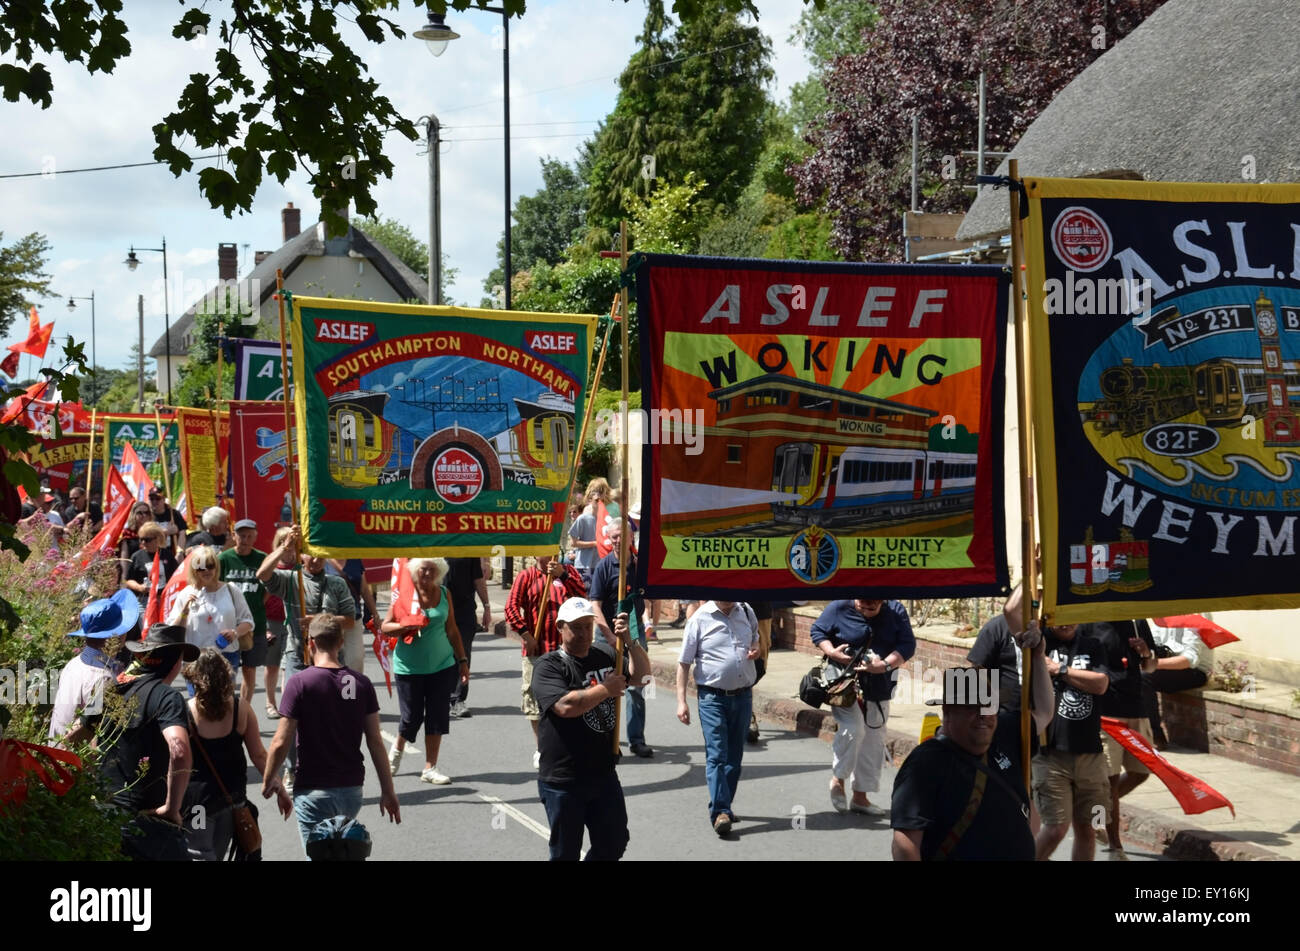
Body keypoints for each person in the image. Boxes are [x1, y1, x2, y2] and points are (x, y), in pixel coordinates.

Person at [261, 615, 400, 857]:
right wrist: (388, 791)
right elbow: (375, 742)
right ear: (341, 642)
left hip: (313, 790)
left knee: (317, 854)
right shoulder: (361, 683)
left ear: (310, 643)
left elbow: (281, 741)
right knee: (344, 852)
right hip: (351, 789)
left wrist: (269, 778)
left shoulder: (300, 683)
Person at [891, 659, 1054, 861]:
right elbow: (906, 845)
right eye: (971, 707)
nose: (983, 714)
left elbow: (1044, 711)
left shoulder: (1004, 732)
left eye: (988, 705)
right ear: (948, 712)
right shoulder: (925, 763)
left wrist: (1037, 654)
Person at [532, 598, 649, 861]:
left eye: (588, 626)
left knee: (615, 842)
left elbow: (643, 677)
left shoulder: (606, 655)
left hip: (603, 772)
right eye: (576, 627)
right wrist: (605, 689)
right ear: (561, 627)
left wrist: (630, 641)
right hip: (563, 778)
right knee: (565, 853)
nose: (584, 633)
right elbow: (565, 706)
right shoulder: (549, 665)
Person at [87, 623, 200, 860]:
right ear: (176, 662)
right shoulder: (168, 697)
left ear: (143, 656)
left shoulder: (112, 690)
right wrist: (172, 807)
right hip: (147, 824)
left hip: (104, 817)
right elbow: (179, 750)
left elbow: (79, 738)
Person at [256, 526, 356, 790]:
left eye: (318, 554)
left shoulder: (336, 583)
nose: (314, 559)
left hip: (331, 661)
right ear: (300, 556)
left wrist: (321, 621)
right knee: (292, 717)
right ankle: (291, 769)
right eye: (309, 554)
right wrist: (284, 548)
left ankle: (328, 767)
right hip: (298, 657)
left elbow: (350, 620)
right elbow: (262, 574)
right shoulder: (292, 581)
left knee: (331, 717)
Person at [182, 647, 292, 860]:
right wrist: (279, 788)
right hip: (231, 799)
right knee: (221, 852)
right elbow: (259, 754)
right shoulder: (241, 708)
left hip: (197, 804)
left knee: (199, 854)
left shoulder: (185, 711)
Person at [810, 597, 916, 815]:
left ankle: (861, 797)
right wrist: (831, 652)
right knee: (854, 728)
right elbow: (818, 631)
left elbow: (907, 644)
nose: (867, 610)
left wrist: (884, 665)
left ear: (883, 601)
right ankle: (838, 779)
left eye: (873, 606)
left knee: (873, 740)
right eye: (862, 606)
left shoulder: (896, 611)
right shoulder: (839, 606)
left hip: (879, 684)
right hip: (844, 683)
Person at [380, 558, 470, 785]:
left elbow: (452, 629)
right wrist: (404, 627)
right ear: (415, 571)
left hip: (442, 665)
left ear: (439, 572)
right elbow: (385, 626)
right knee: (411, 717)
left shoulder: (444, 593)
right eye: (423, 569)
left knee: (437, 716)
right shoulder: (404, 595)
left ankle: (430, 767)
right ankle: (398, 748)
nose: (428, 573)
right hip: (409, 668)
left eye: (433, 570)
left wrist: (462, 660)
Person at [675, 599, 760, 835]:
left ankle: (725, 806)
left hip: (743, 696)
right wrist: (681, 702)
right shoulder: (699, 619)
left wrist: (756, 647)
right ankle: (720, 811)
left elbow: (755, 637)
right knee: (717, 753)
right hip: (712, 697)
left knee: (735, 755)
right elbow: (683, 663)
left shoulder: (745, 609)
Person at [1033, 621, 1112, 862]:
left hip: (1091, 753)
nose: (1066, 622)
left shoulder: (1093, 645)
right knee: (1056, 828)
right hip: (1051, 754)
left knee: (1090, 827)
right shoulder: (1039, 645)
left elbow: (1100, 684)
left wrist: (1060, 670)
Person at [504, 554, 586, 768]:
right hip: (537, 650)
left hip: (566, 650)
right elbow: (511, 608)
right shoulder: (526, 576)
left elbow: (583, 600)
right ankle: (542, 747)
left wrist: (564, 575)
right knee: (534, 701)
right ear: (534, 554)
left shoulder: (569, 573)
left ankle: (568, 744)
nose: (548, 554)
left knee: (568, 697)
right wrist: (526, 635)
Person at [1092, 619, 1158, 859]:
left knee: (1141, 772)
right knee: (1108, 782)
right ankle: (1116, 846)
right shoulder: (1091, 621)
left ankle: (1096, 810)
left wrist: (1145, 652)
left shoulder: (1137, 621)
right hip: (1106, 711)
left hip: (1136, 708)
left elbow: (1150, 666)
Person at [589, 517, 652, 757]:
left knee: (639, 684)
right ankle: (606, 739)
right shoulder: (604, 567)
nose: (616, 541)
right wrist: (607, 633)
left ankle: (636, 739)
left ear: (630, 538)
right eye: (613, 537)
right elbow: (595, 605)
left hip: (633, 630)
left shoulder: (639, 566)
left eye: (620, 536)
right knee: (605, 686)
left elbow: (650, 594)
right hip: (607, 632)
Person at [49, 590, 138, 741]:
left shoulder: (74, 663)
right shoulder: (104, 677)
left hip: (54, 753)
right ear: (116, 634)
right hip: (74, 759)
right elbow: (90, 732)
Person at [168, 544, 254, 673]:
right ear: (194, 569)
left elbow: (248, 622)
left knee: (225, 694)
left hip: (226, 655)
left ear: (216, 566)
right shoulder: (186, 594)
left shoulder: (231, 590)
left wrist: (234, 632)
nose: (206, 570)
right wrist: (184, 612)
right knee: (197, 694)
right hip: (195, 656)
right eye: (201, 567)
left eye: (210, 566)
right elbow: (173, 630)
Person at [219, 519, 268, 707]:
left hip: (255, 624)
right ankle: (227, 705)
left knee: (249, 669)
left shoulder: (262, 558)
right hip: (228, 625)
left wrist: (253, 606)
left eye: (249, 536)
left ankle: (244, 708)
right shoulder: (224, 559)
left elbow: (268, 588)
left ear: (255, 537)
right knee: (227, 669)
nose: (245, 539)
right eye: (241, 535)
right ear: (233, 536)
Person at [1143, 619, 1214, 748]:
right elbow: (1154, 641)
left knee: (1144, 677)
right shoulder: (1163, 615)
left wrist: (1154, 664)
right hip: (1168, 666)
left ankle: (1155, 735)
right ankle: (1137, 731)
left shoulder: (1196, 614)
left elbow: (1190, 659)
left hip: (1195, 671)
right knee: (1131, 674)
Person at [444, 556, 492, 718]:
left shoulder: (467, 548)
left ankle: (457, 699)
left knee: (462, 654)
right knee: (441, 655)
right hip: (439, 611)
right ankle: (439, 696)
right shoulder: (434, 543)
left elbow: (478, 579)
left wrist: (486, 606)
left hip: (464, 612)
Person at [260, 526, 295, 719]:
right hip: (273, 621)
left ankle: (286, 703)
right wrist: (265, 627)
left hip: (293, 622)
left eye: (290, 543)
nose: (288, 548)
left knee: (287, 664)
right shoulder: (272, 566)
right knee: (272, 665)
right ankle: (269, 701)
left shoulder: (300, 566)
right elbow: (262, 600)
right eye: (283, 543)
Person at [122, 523, 178, 609]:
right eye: (141, 539)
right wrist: (140, 587)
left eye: (147, 540)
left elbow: (176, 576)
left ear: (158, 539)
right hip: (144, 601)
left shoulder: (167, 555)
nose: (143, 542)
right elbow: (128, 580)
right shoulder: (137, 556)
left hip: (165, 599)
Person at [149, 487, 188, 554]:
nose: (154, 501)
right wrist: (167, 531)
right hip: (154, 553)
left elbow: (182, 533)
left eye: (157, 499)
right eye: (152, 499)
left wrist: (180, 552)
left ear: (163, 499)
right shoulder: (147, 515)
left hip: (172, 552)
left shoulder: (173, 514)